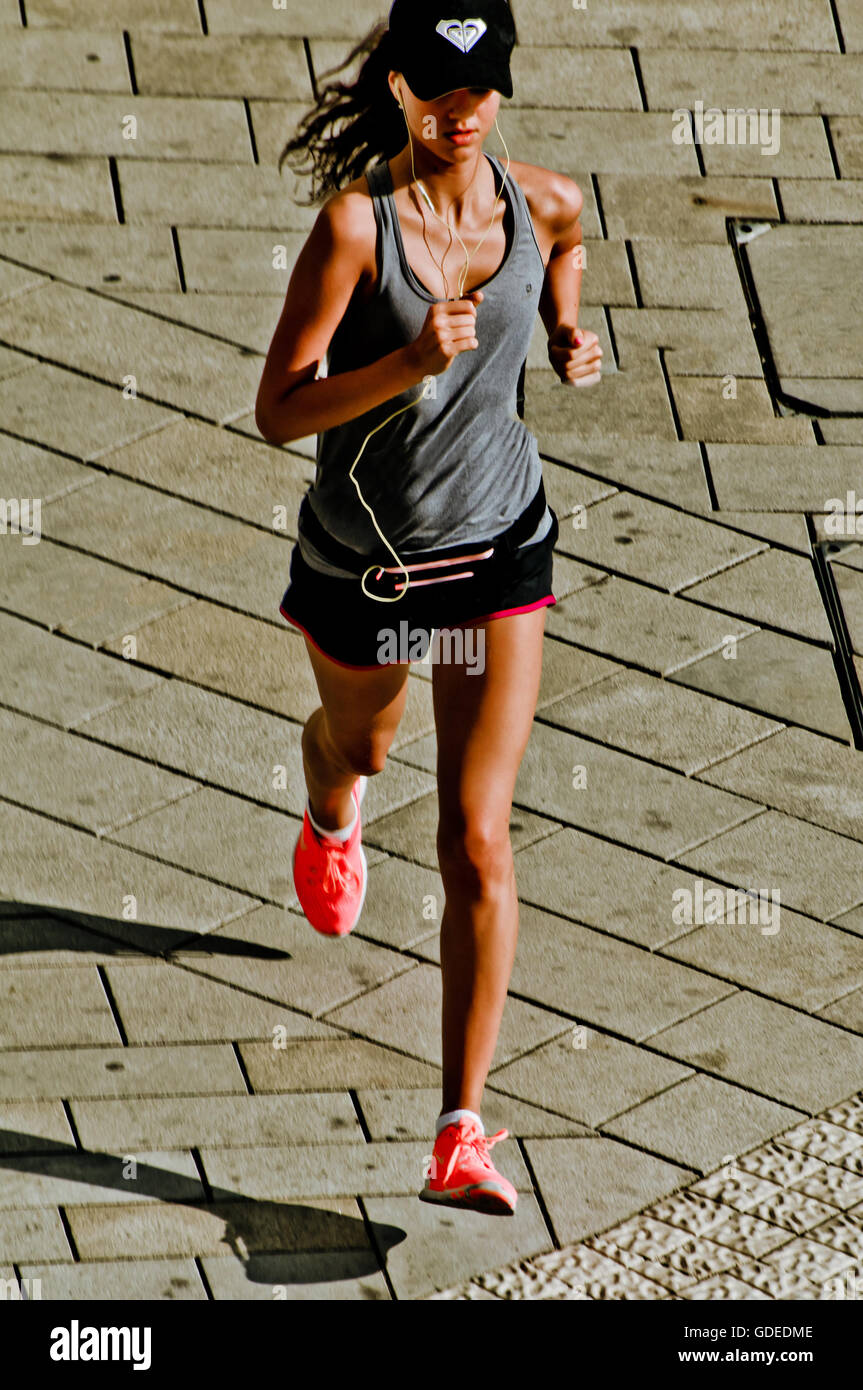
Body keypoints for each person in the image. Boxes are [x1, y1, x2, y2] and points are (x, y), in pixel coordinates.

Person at [255, 0, 602, 1216]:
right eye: (439, 91)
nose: (462, 114)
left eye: (481, 90)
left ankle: (459, 1128)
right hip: (372, 572)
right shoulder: (355, 228)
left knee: (473, 834)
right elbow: (279, 409)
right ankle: (331, 805)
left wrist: (561, 326)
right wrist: (408, 363)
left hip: (498, 555)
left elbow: (569, 234)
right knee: (363, 744)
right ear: (400, 89)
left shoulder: (535, 199)